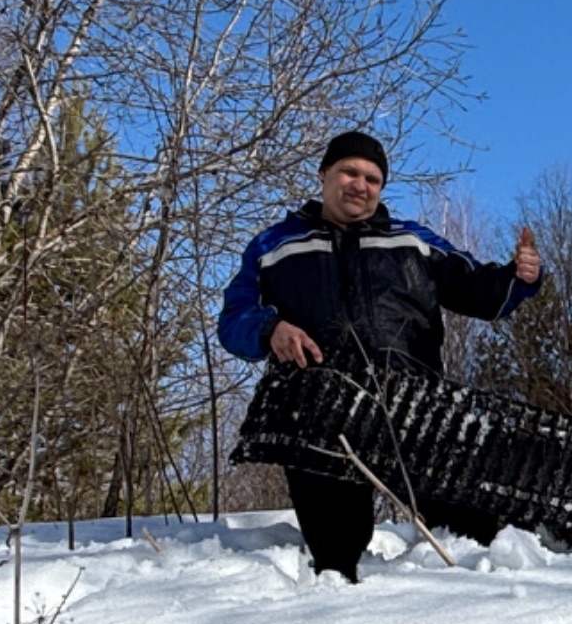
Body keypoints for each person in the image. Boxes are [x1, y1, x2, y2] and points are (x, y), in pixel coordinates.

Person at [218, 131, 543, 581]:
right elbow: (233, 320)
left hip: (415, 411)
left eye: (372, 179)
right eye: (349, 172)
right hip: (319, 420)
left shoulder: (412, 241)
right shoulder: (273, 246)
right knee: (336, 558)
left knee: (473, 540)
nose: (360, 185)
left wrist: (519, 278)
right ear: (324, 175)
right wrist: (270, 329)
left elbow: (479, 292)